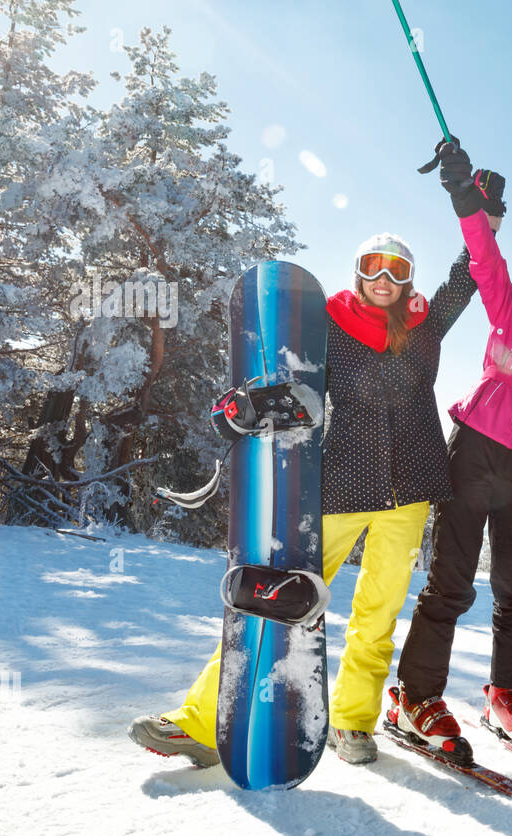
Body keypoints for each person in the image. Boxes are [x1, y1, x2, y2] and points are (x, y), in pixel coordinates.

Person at [127, 226, 486, 767]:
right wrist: (244, 408)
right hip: (341, 482)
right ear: (357, 272)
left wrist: (481, 215)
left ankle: (352, 721)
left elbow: (468, 276)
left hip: (409, 490)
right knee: (278, 598)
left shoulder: (423, 327)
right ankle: (201, 723)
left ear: (408, 278)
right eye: (372, 266)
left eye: (395, 268)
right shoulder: (328, 325)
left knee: (379, 615)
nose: (383, 278)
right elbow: (285, 377)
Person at [388, 144, 512, 763]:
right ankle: (416, 695)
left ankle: (506, 692)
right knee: (451, 581)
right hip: (475, 450)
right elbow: (484, 258)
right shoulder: (510, 311)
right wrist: (470, 203)